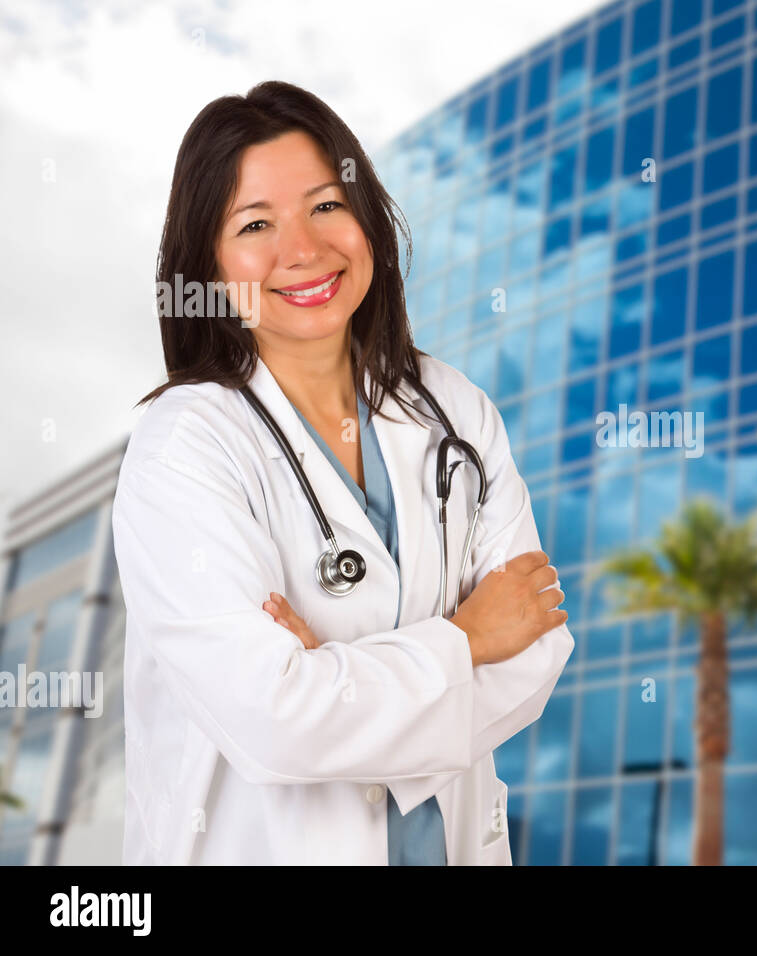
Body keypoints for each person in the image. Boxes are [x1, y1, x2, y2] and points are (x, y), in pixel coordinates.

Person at [112, 81, 574, 865]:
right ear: (209, 265)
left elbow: (535, 647)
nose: (305, 249)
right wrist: (464, 642)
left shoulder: (454, 408)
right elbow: (272, 720)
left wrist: (333, 680)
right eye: (256, 224)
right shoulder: (184, 445)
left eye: (327, 205)